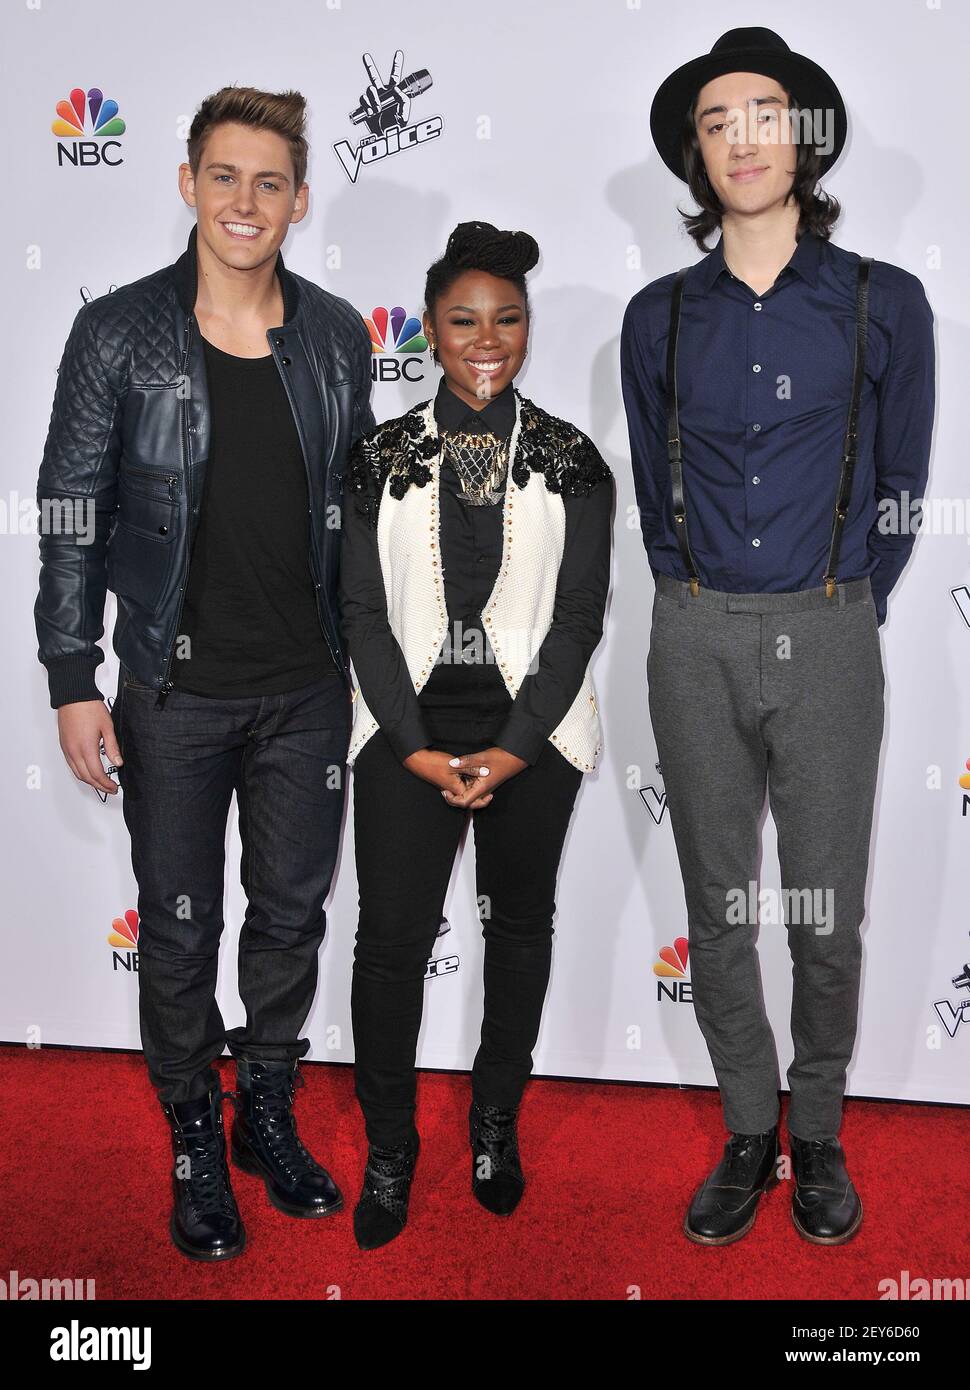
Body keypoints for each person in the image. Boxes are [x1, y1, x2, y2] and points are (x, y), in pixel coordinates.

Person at [34, 86, 375, 1261]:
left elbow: (355, 515)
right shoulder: (120, 332)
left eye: (269, 181)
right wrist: (70, 672)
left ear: (299, 199)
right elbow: (72, 511)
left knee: (288, 917)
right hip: (170, 694)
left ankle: (263, 1110)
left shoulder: (335, 334)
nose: (245, 201)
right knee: (179, 931)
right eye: (224, 176)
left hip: (306, 690)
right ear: (187, 183)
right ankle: (192, 1127)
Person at [621, 28, 935, 1246]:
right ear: (695, 158)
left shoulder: (882, 301)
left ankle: (816, 1133)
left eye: (765, 112)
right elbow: (654, 488)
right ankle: (744, 1127)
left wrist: (842, 597)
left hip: (829, 630)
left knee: (822, 912)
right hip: (692, 632)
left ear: (804, 136)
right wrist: (689, 596)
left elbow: (900, 484)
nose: (742, 136)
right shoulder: (658, 317)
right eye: (716, 120)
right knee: (715, 904)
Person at [339, 220, 614, 1250]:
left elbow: (580, 615)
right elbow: (360, 613)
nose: (486, 338)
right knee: (390, 945)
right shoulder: (375, 456)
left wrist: (514, 745)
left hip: (532, 736)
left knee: (518, 930)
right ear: (430, 331)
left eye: (506, 319)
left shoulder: (574, 460)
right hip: (402, 732)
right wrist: (412, 745)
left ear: (528, 327)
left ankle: (494, 1122)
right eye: (463, 320)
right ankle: (391, 1146)